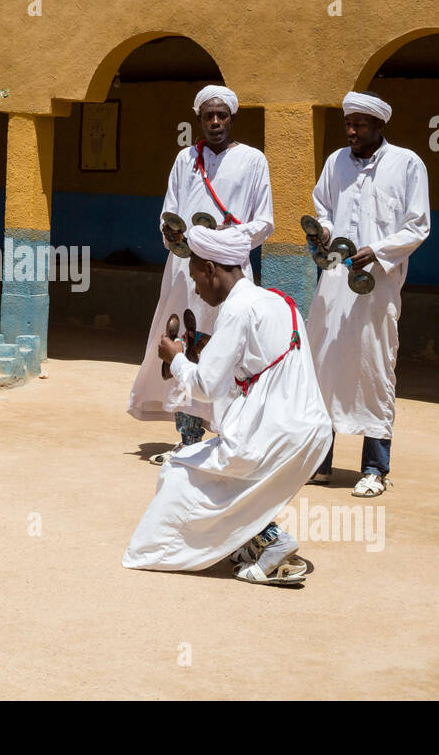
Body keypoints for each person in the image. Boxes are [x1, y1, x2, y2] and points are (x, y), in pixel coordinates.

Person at [122, 225, 332, 585]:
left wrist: (174, 358)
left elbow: (205, 386)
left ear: (210, 269)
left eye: (196, 279)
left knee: (179, 472)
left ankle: (272, 542)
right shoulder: (280, 302)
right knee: (231, 487)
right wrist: (202, 348)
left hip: (270, 436)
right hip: (311, 432)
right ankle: (250, 544)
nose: (197, 290)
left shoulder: (236, 310)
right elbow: (254, 363)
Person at [127, 85, 274, 464]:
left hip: (227, 271)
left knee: (229, 348)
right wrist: (173, 233)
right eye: (208, 115)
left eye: (221, 115)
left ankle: (230, 437)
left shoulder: (254, 161)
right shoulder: (184, 160)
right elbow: (168, 212)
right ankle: (188, 438)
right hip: (184, 269)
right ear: (198, 119)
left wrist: (225, 239)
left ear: (231, 118)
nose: (214, 122)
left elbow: (265, 222)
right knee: (184, 340)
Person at [305, 91, 431, 497]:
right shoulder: (336, 162)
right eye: (348, 124)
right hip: (334, 282)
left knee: (374, 367)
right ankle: (320, 462)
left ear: (380, 126)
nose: (352, 131)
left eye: (360, 124)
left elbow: (417, 226)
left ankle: (374, 468)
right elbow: (323, 207)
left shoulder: (407, 164)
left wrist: (377, 251)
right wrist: (323, 231)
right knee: (323, 365)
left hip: (378, 284)